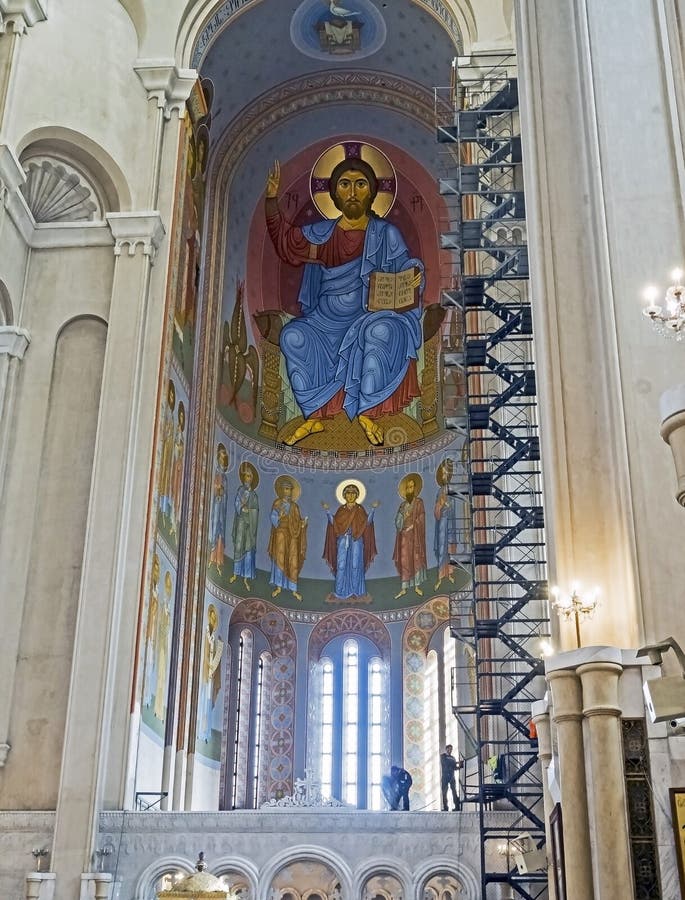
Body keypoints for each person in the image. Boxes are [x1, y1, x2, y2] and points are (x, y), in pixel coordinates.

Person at [265, 156, 425, 446]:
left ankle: (368, 411)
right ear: (335, 194)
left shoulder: (386, 233)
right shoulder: (322, 234)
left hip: (372, 314)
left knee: (380, 332)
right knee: (293, 335)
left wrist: (414, 274)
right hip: (325, 319)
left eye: (360, 184)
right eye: (345, 184)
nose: (352, 192)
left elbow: (405, 266)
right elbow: (287, 243)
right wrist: (272, 200)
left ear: (372, 192)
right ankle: (314, 415)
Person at [322, 483, 378, 602]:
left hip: (356, 541)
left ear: (357, 495)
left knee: (355, 565)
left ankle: (356, 591)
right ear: (344, 495)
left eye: (353, 493)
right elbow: (335, 524)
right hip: (343, 540)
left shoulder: (360, 509)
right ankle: (340, 592)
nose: (351, 495)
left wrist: (373, 510)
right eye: (348, 493)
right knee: (341, 565)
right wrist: (327, 511)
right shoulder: (341, 510)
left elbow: (367, 523)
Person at [268, 476, 307, 601]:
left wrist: (302, 524)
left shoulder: (295, 507)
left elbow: (297, 522)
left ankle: (293, 589)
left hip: (293, 536)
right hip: (281, 534)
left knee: (293, 561)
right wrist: (279, 517)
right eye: (286, 489)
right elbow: (273, 518)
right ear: (281, 490)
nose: (288, 492)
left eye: (290, 490)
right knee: (280, 558)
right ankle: (279, 586)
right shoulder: (277, 503)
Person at [393, 474, 427, 598]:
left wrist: (413, 526)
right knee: (404, 561)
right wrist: (403, 516)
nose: (409, 490)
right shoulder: (402, 506)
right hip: (404, 537)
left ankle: (417, 586)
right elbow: (397, 522)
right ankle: (404, 588)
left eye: (411, 487)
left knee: (416, 559)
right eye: (407, 488)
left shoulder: (419, 503)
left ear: (415, 489)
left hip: (415, 536)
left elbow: (421, 517)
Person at [230, 462, 259, 589]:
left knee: (248, 550)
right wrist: (242, 508)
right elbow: (237, 503)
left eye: (250, 477)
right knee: (238, 547)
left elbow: (256, 511)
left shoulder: (254, 495)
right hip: (240, 524)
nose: (248, 478)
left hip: (249, 527)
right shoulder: (240, 491)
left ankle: (246, 577)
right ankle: (236, 573)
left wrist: (250, 512)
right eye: (246, 476)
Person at [198, 604, 224, 743]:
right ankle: (201, 731)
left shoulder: (213, 638)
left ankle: (206, 732)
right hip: (205, 675)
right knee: (203, 702)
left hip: (210, 676)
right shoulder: (206, 636)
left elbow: (214, 654)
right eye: (212, 620)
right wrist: (208, 664)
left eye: (215, 621)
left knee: (208, 704)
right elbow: (205, 654)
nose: (213, 623)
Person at [209, 443, 229, 574]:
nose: (222, 460)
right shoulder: (216, 473)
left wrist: (223, 492)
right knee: (215, 526)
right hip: (216, 505)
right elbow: (213, 489)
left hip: (221, 507)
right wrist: (217, 490)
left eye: (224, 459)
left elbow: (225, 493)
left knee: (221, 528)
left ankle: (219, 559)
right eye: (220, 458)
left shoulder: (225, 477)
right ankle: (211, 556)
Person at [440, 744, 463, 811]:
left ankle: (457, 807)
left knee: (454, 791)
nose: (450, 750)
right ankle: (445, 807)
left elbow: (455, 768)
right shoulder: (443, 756)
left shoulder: (453, 758)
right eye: (449, 749)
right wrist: (457, 763)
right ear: (446, 749)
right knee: (444, 792)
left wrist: (460, 766)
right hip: (445, 776)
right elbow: (446, 764)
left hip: (452, 776)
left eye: (451, 749)